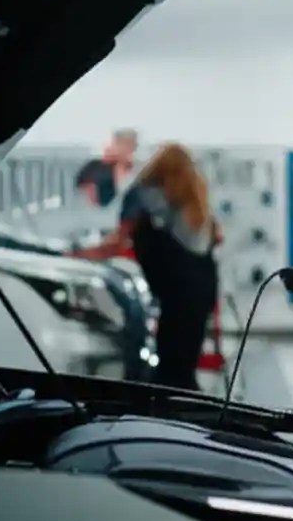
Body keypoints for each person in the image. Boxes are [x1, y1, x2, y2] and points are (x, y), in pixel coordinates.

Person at [76, 142, 221, 391]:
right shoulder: (195, 199)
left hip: (176, 293)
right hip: (204, 287)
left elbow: (118, 242)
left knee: (168, 365)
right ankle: (189, 415)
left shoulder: (143, 194)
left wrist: (77, 255)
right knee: (184, 365)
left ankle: (166, 418)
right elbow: (217, 238)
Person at [74, 127, 139, 208]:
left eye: (129, 145)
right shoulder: (94, 167)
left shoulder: (139, 170)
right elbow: (86, 196)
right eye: (120, 144)